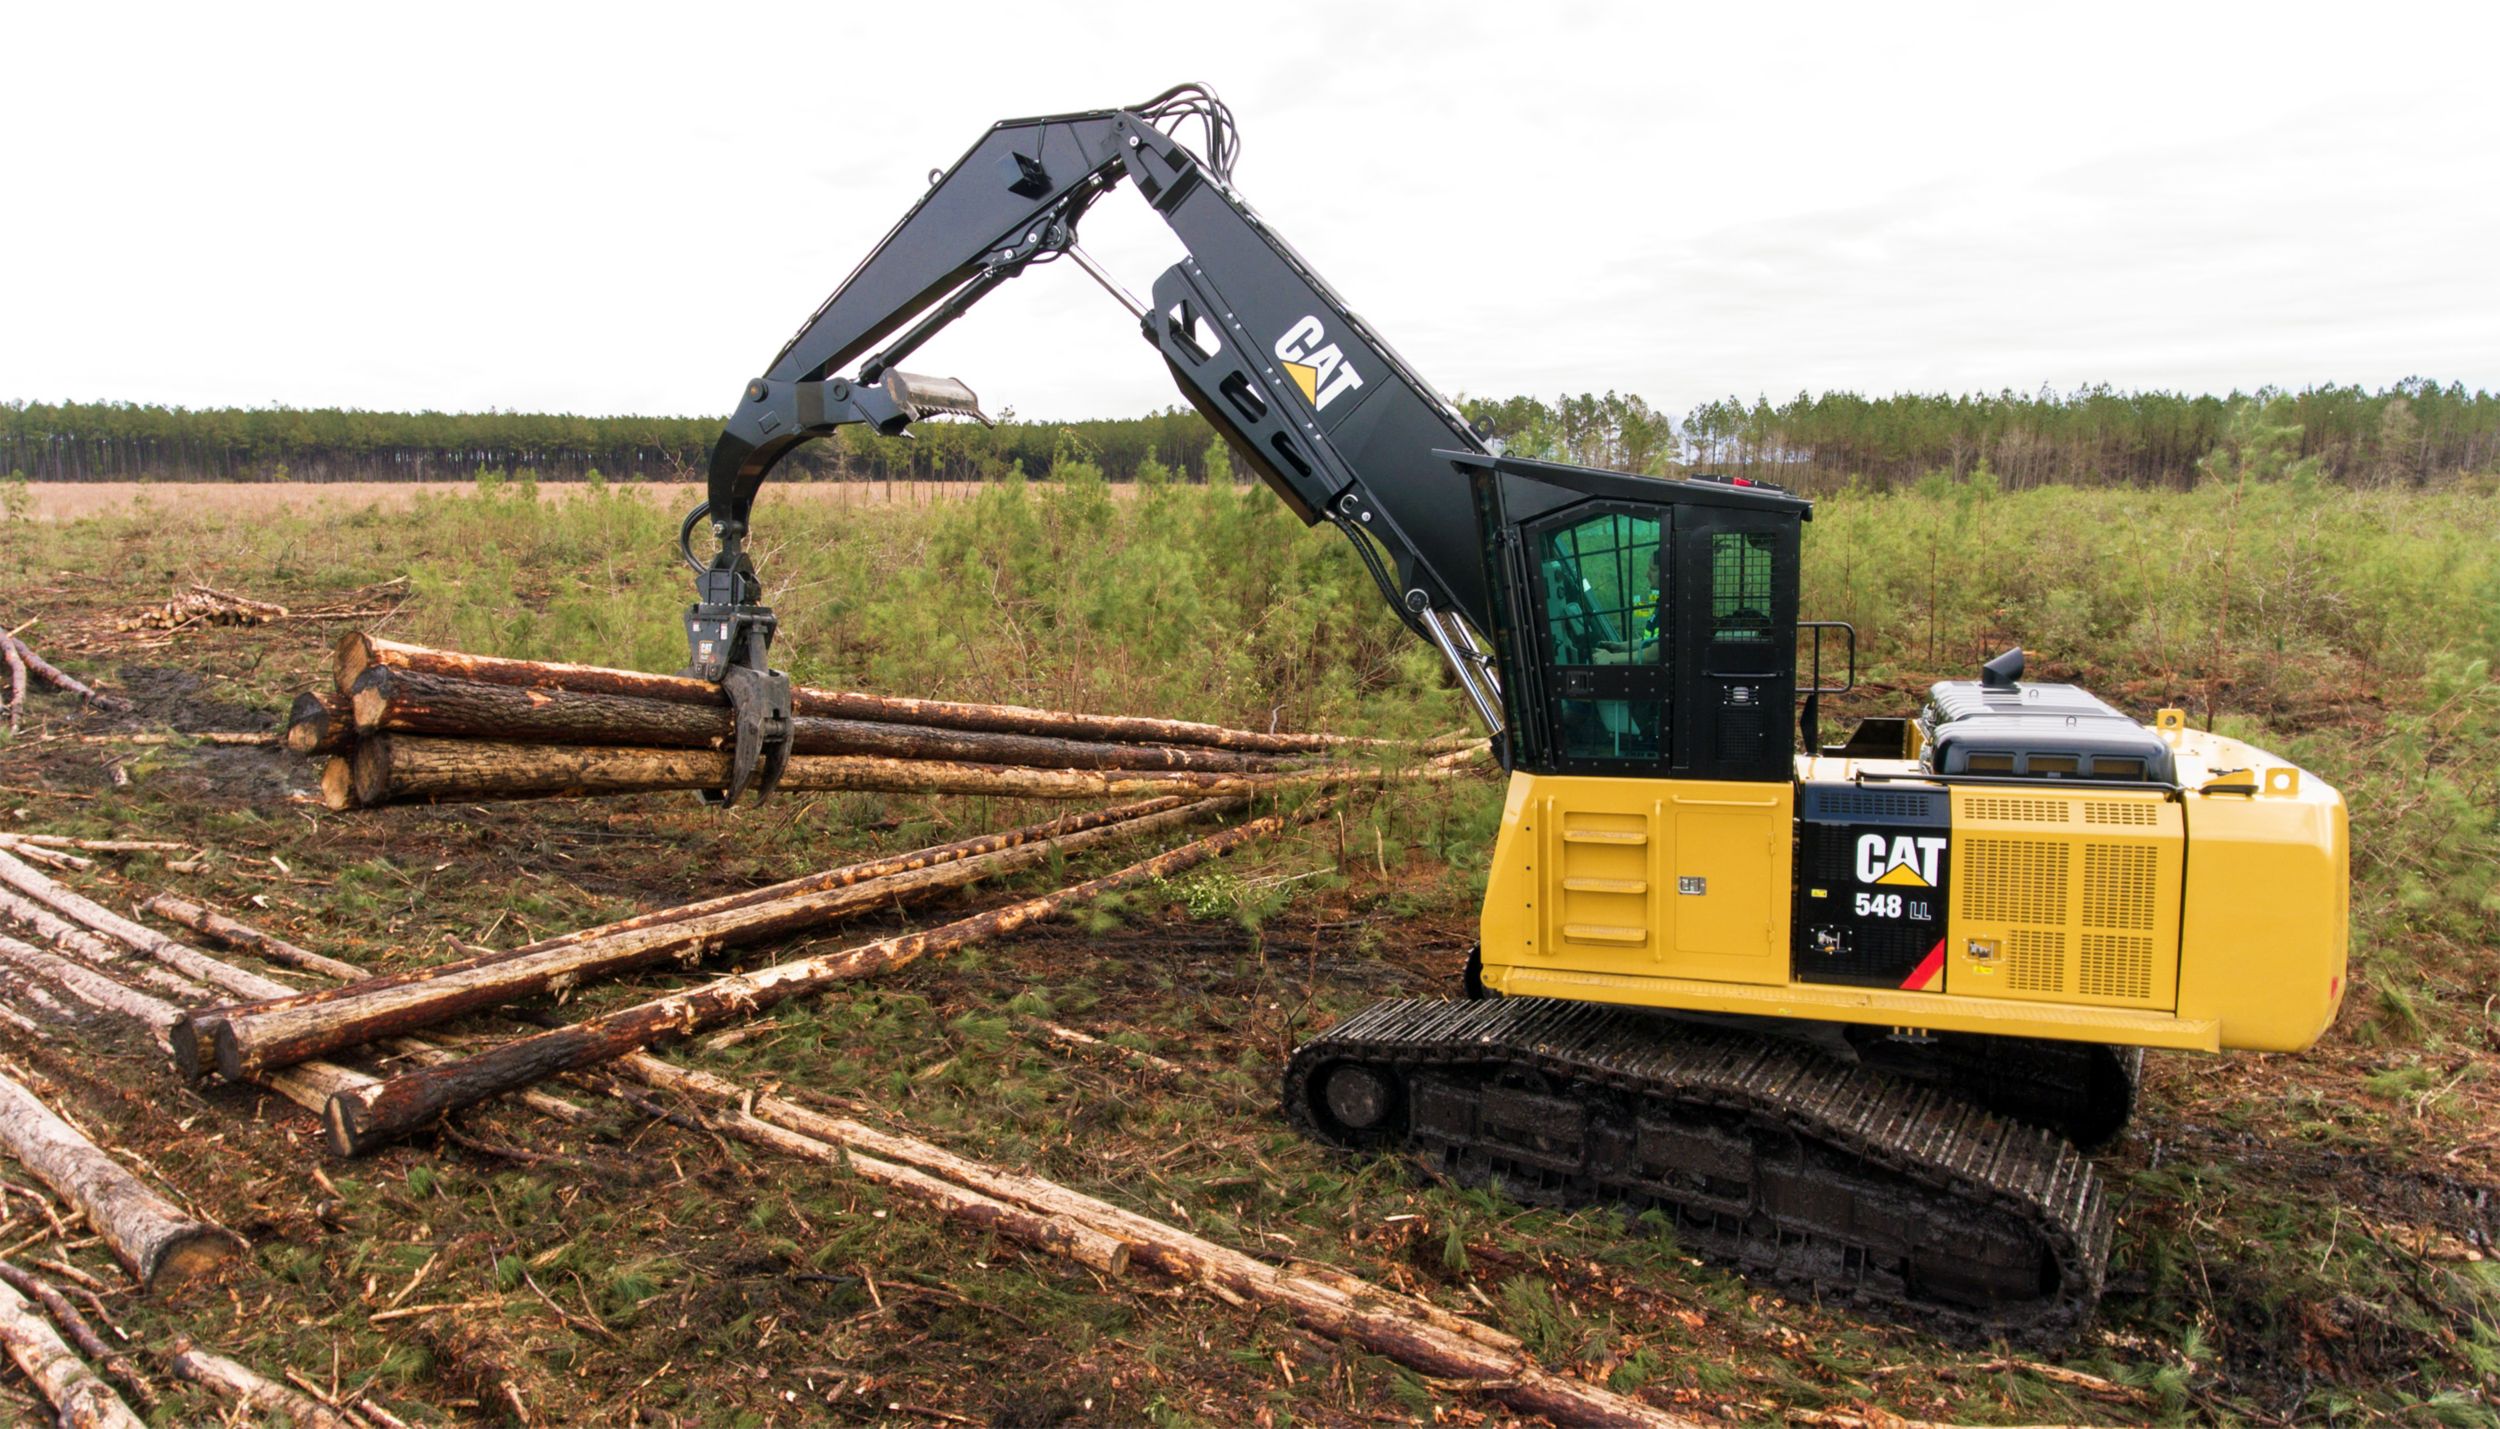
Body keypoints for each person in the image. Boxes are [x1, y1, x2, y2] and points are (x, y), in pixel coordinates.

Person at [1592, 547, 1662, 666]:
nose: (1647, 574)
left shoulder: (1676, 606)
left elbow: (1656, 652)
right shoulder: (1662, 603)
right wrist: (1621, 647)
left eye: (1653, 569)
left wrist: (1610, 658)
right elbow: (1651, 642)